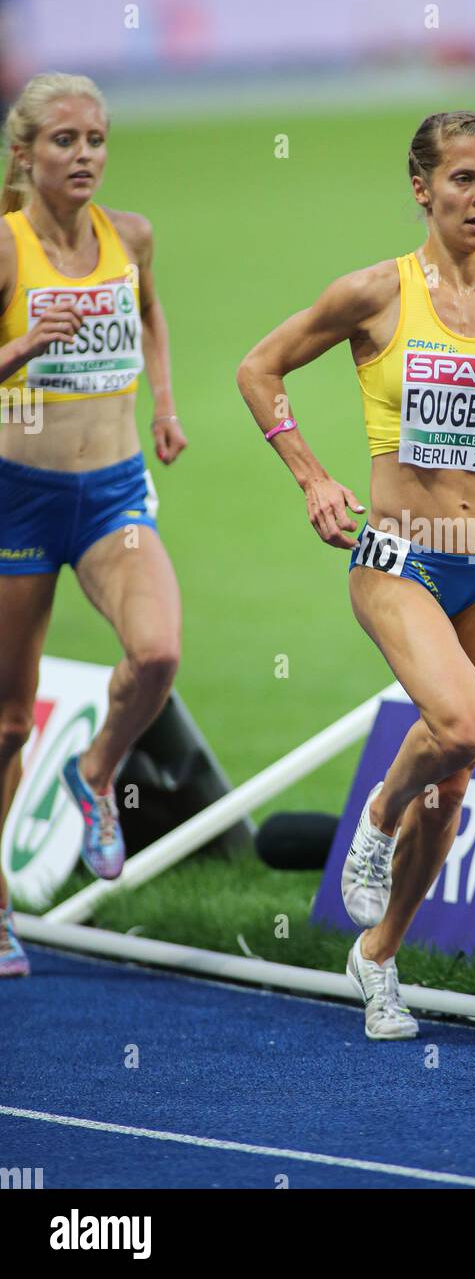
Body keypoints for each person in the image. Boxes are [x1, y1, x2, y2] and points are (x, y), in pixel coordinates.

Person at [238, 110, 475, 1038]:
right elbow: (259, 369)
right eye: (463, 180)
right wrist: (312, 477)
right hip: (398, 556)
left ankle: (379, 956)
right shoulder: (376, 295)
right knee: (463, 724)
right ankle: (379, 812)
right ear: (423, 189)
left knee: (458, 781)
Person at [0, 73, 186, 976]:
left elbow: (149, 313)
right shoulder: (6, 250)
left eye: (96, 140)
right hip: (18, 498)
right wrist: (23, 349)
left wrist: (164, 404)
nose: (84, 157)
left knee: (156, 655)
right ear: (25, 155)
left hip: (112, 491)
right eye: (65, 142)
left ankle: (97, 771)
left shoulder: (132, 235)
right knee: (4, 724)